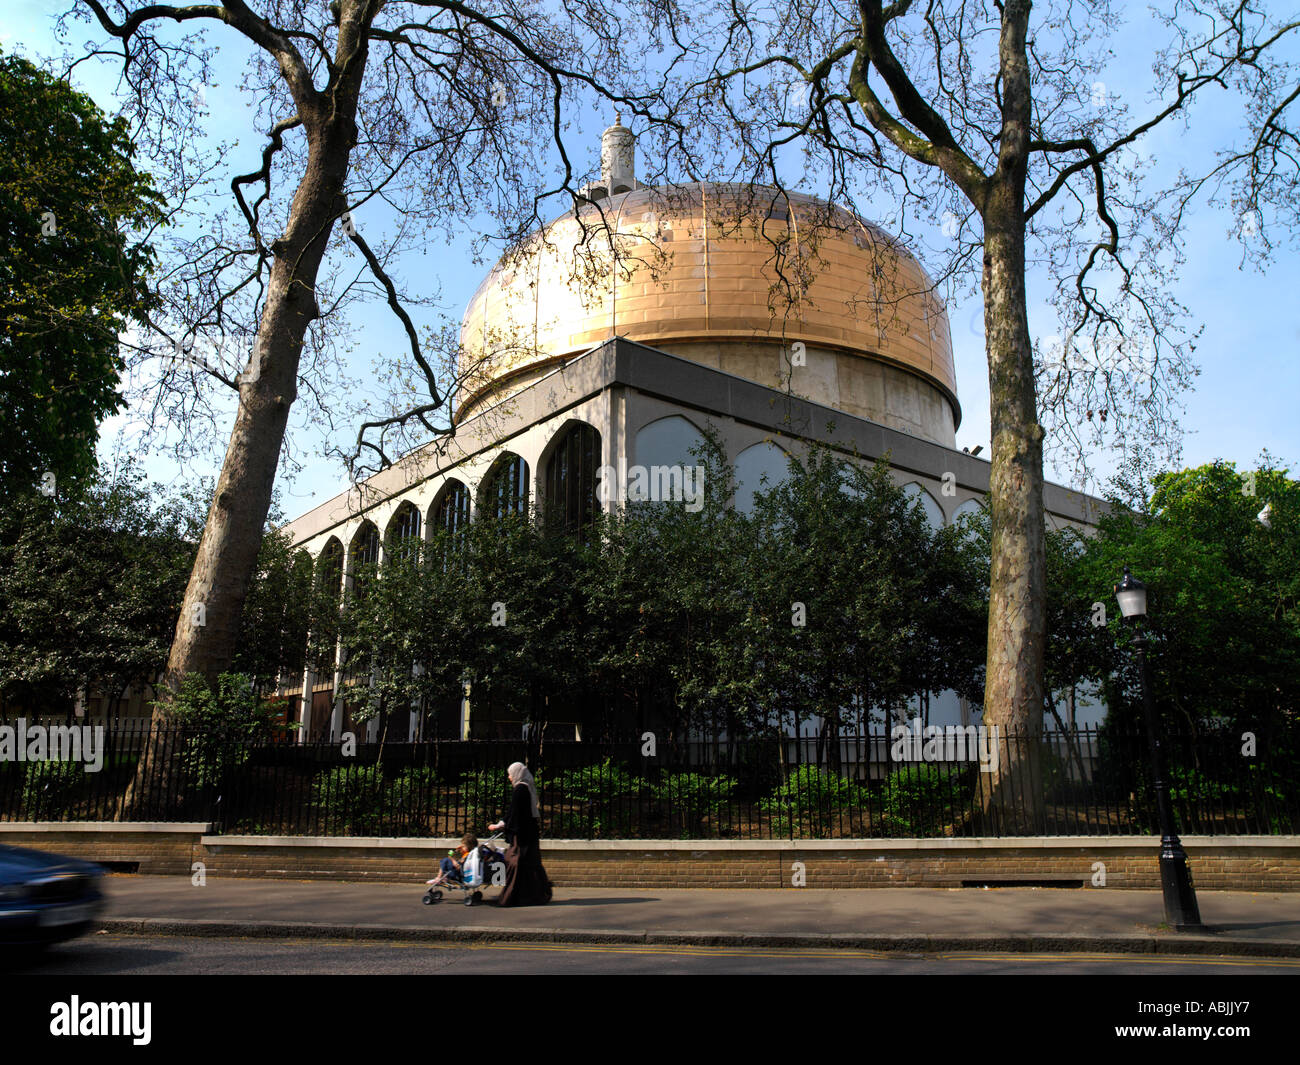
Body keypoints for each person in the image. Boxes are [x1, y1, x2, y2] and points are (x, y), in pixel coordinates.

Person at [487, 762, 552, 906]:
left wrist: (502, 825)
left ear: (517, 773)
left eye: (510, 774)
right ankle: (535, 894)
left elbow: (515, 813)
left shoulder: (520, 789)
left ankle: (512, 896)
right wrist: (502, 823)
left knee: (514, 862)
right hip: (529, 834)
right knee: (530, 864)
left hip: (522, 836)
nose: (509, 777)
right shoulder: (526, 787)